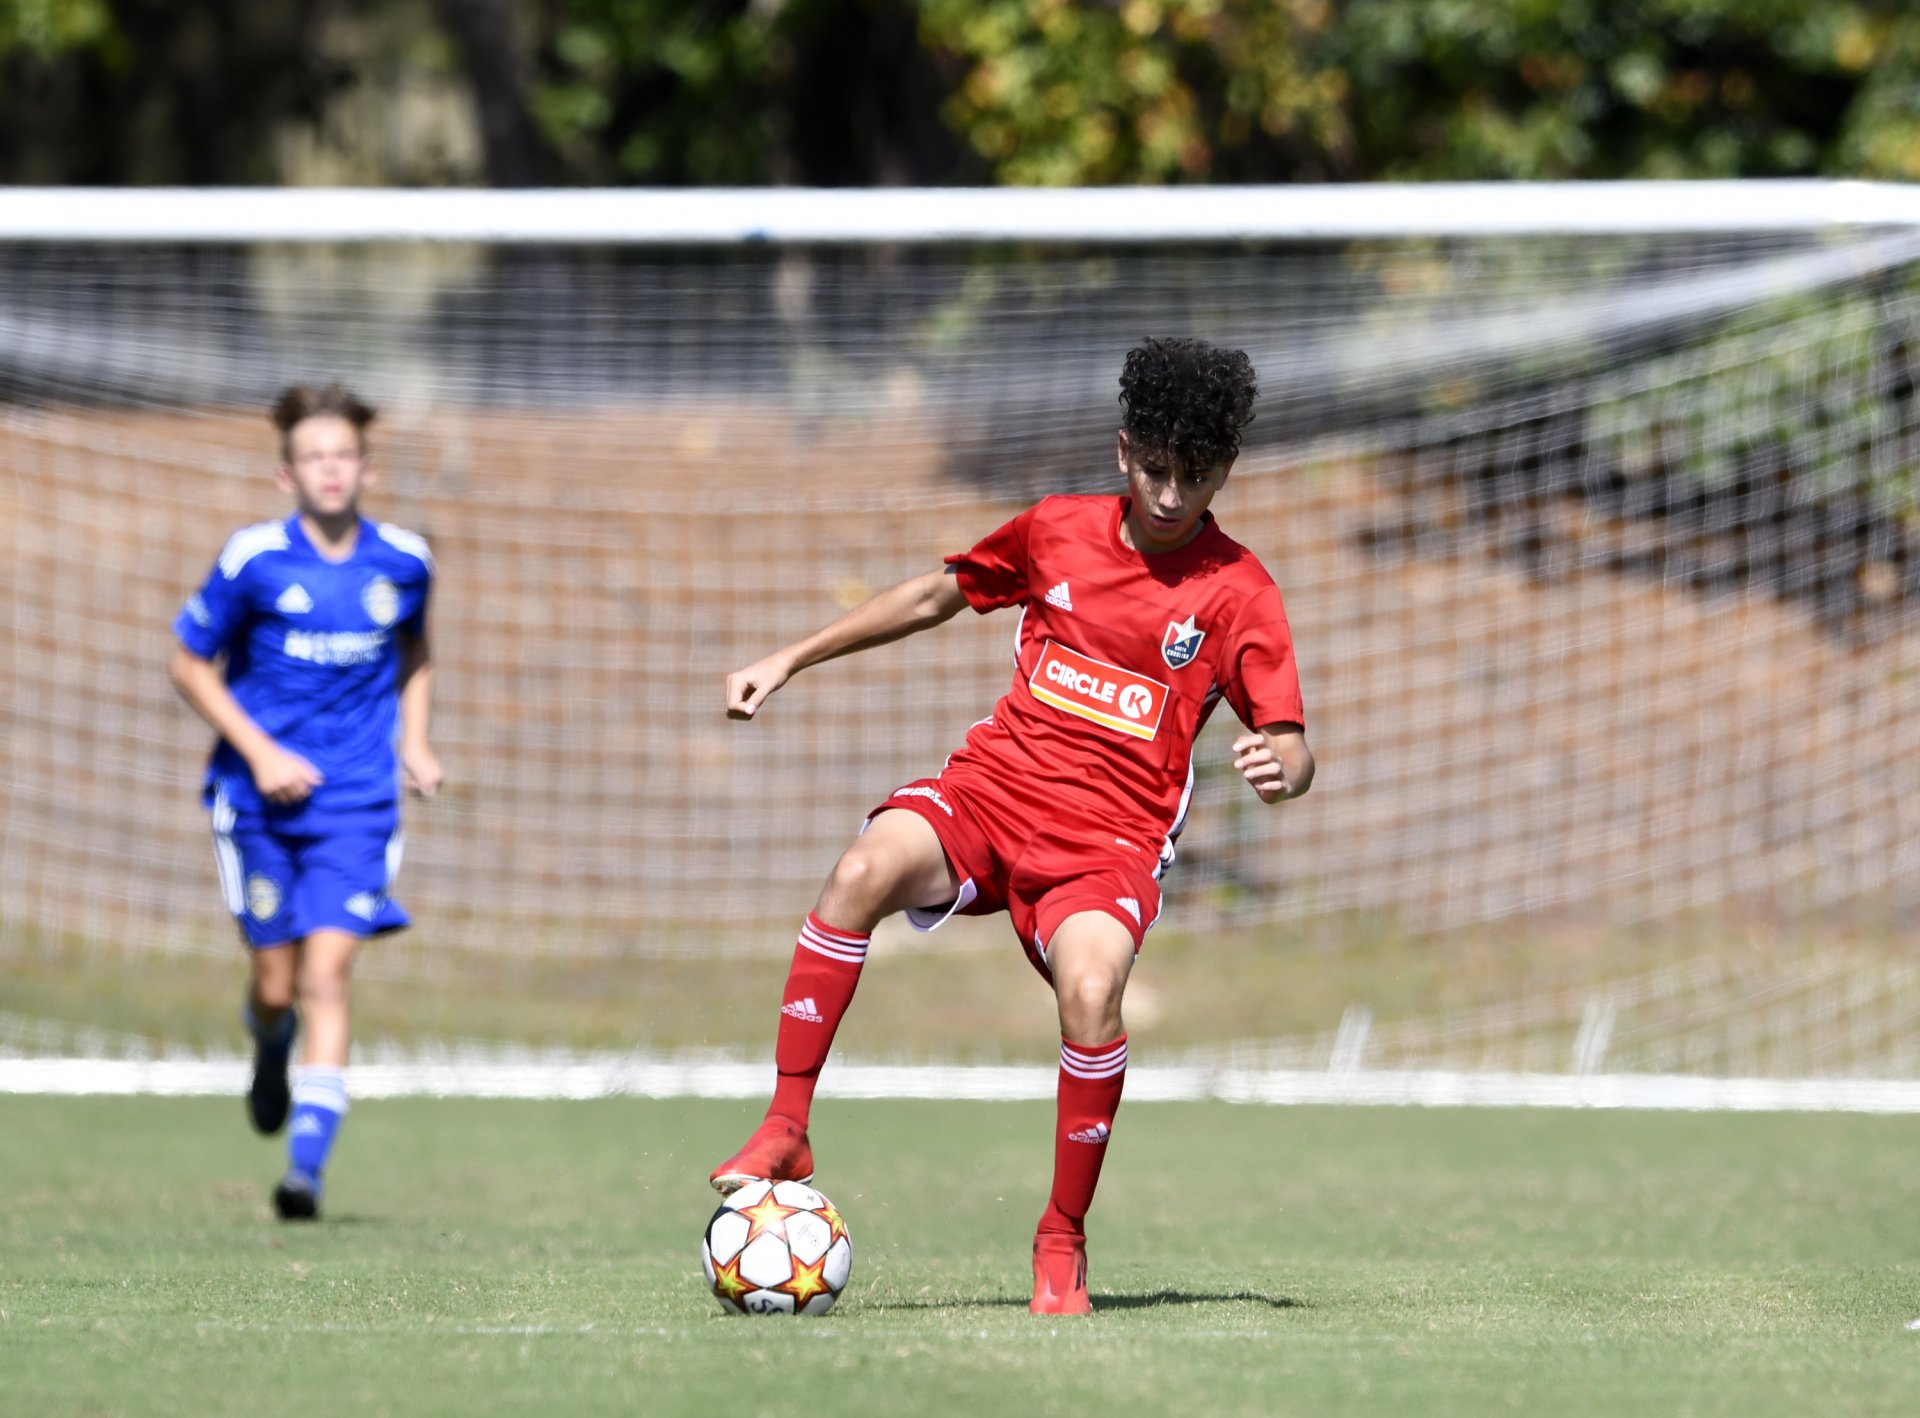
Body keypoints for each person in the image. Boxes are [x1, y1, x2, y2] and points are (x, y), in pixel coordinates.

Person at [709, 338, 1313, 1313]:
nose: (1170, 495)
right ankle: (786, 1122)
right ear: (1125, 453)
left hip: (1107, 841)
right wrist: (789, 656)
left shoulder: (1238, 590)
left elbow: (1291, 740)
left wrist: (1279, 767)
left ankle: (1061, 1236)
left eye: (1194, 478)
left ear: (1224, 473)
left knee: (1092, 991)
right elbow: (935, 594)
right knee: (862, 868)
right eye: (1155, 470)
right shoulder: (1056, 530)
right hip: (993, 792)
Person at [169, 384, 440, 1221]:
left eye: (344, 455)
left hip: (358, 803)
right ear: (286, 473)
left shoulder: (404, 559)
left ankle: (304, 1175)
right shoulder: (252, 559)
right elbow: (188, 663)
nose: (332, 470)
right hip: (255, 803)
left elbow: (416, 651)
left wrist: (415, 743)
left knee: (328, 977)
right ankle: (268, 1047)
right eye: (314, 457)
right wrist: (261, 752)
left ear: (366, 466)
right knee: (278, 988)